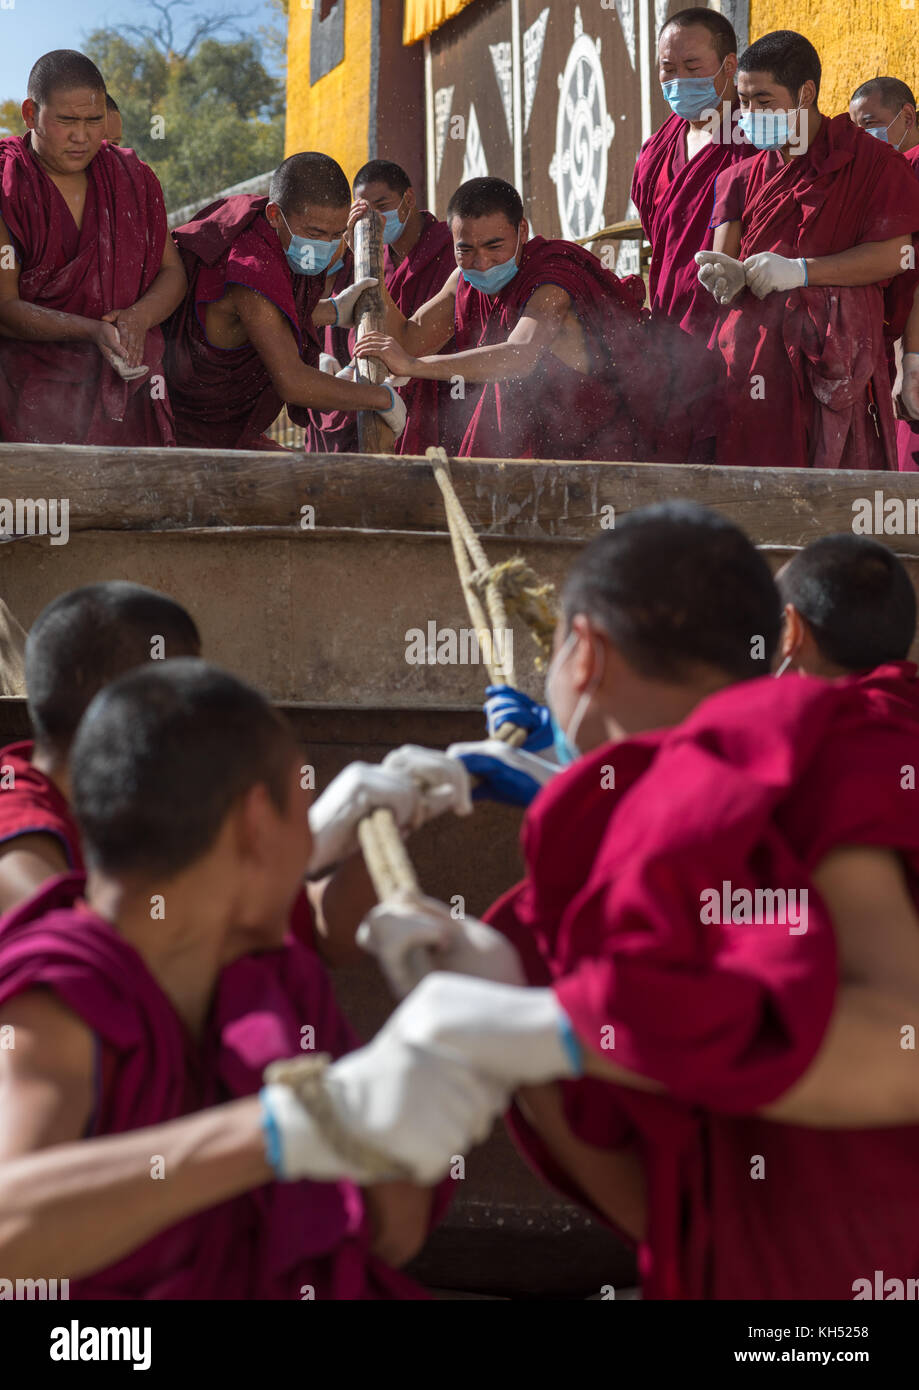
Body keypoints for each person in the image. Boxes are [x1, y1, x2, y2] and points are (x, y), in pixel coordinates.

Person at [334, 503, 919, 1299]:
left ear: (585, 655)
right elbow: (668, 1214)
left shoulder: (834, 753)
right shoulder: (624, 853)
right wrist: (506, 990)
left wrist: (545, 1028)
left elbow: (900, 1043)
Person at [0, 661, 448, 1297]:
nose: (311, 842)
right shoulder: (62, 998)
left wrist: (421, 1039)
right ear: (257, 823)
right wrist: (271, 1135)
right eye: (304, 810)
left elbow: (390, 1235)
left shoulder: (274, 982)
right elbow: (9, 1232)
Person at [355, 176, 715, 463]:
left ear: (522, 231)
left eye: (494, 246)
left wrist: (415, 366)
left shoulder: (551, 281)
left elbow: (519, 355)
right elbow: (409, 336)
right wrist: (369, 269)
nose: (481, 263)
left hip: (608, 451)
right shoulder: (464, 280)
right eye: (465, 250)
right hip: (538, 451)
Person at [696, 31, 919, 469]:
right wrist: (723, 276)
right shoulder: (739, 178)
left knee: (834, 493)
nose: (750, 113)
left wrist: (802, 271)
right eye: (743, 101)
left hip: (839, 361)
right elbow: (725, 264)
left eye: (764, 100)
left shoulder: (870, 161)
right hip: (756, 365)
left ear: (805, 93)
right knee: (760, 497)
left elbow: (895, 257)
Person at [0, 49, 186, 444]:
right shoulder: (9, 182)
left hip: (127, 393)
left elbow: (173, 273)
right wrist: (91, 332)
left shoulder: (132, 179)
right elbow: (3, 307)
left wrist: (137, 318)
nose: (83, 137)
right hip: (28, 397)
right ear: (31, 114)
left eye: (93, 120)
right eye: (67, 121)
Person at [163, 151, 405, 450]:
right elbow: (292, 382)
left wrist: (331, 310)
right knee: (301, 484)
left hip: (222, 428)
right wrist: (381, 398)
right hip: (187, 430)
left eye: (336, 234)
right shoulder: (250, 266)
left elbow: (262, 318)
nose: (326, 246)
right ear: (275, 215)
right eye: (314, 233)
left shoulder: (276, 240)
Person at [0, 583, 202, 914]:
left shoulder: (116, 807)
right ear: (111, 701)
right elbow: (58, 935)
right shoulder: (14, 814)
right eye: (177, 694)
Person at [306, 159, 460, 456]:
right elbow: (366, 336)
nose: (375, 218)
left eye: (382, 204)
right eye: (365, 210)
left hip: (445, 395)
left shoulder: (449, 249)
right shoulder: (372, 259)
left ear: (408, 199)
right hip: (393, 408)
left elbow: (416, 339)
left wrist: (370, 272)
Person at [632, 6, 756, 341]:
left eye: (692, 67)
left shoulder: (754, 141)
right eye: (668, 69)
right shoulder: (655, 153)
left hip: (738, 329)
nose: (678, 80)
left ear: (729, 66)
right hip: (669, 334)